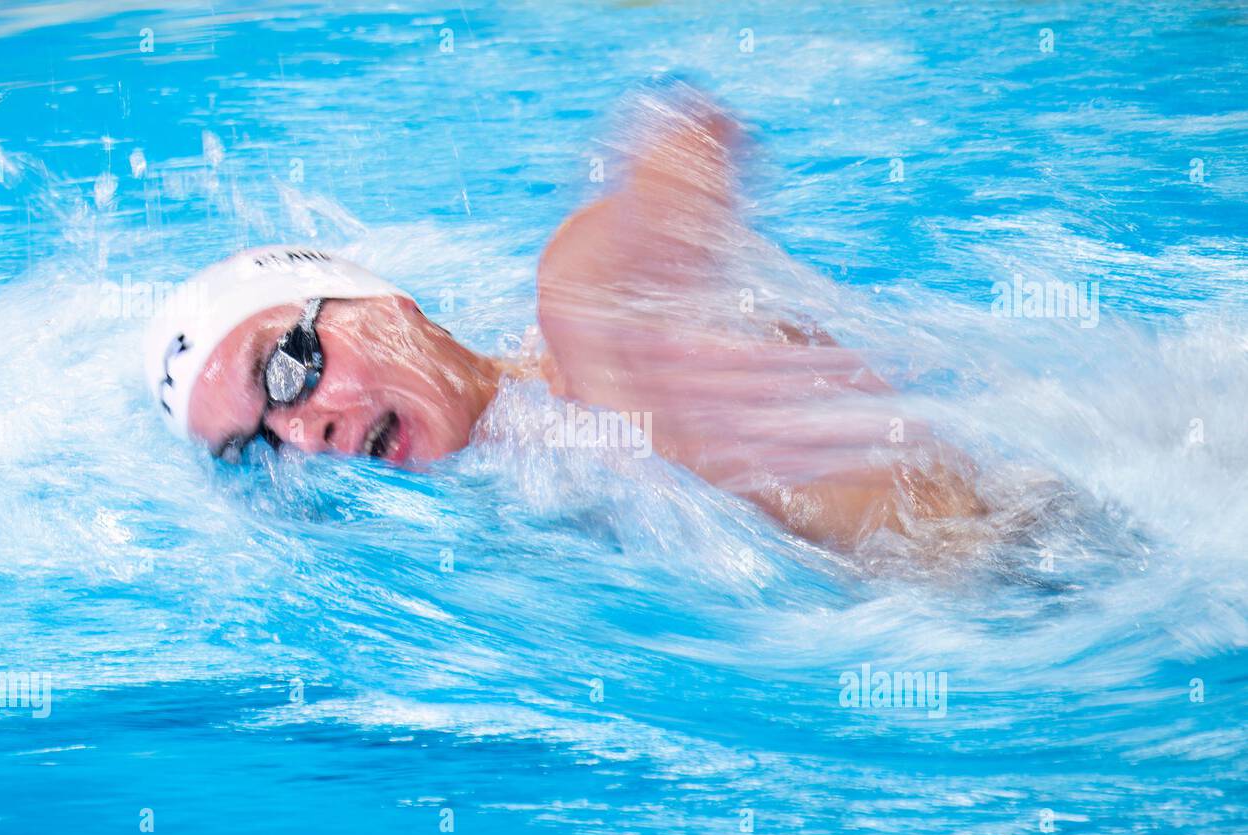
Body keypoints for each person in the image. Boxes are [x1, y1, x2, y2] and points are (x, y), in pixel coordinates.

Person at [144, 100, 985, 550]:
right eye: (260, 445)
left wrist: (664, 214)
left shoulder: (594, 342)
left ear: (385, 304)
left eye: (286, 369)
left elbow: (681, 147)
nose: (303, 430)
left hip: (1019, 586)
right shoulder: (485, 521)